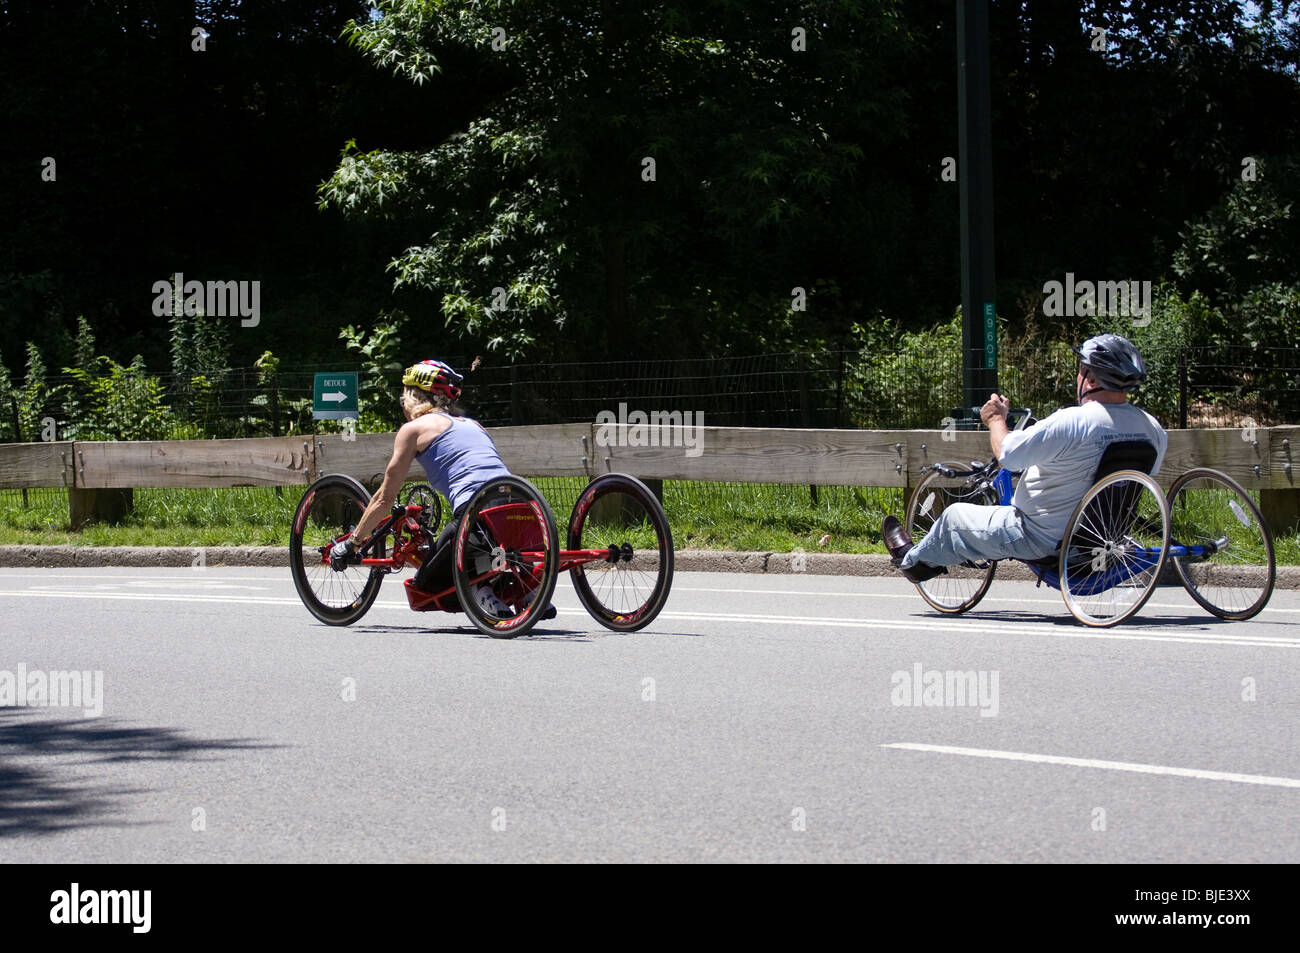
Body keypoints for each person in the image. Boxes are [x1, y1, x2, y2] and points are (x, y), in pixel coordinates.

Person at [882, 333, 1169, 583]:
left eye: (1081, 370)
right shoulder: (1152, 429)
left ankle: (911, 562)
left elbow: (1008, 454)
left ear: (1092, 378)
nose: (1078, 376)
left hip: (1039, 538)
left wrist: (996, 420)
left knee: (954, 517)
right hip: (1100, 542)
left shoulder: (1073, 422)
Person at [329, 358, 554, 618]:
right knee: (494, 542)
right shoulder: (473, 425)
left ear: (413, 397)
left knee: (423, 589)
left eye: (404, 397)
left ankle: (480, 589)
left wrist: (353, 543)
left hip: (478, 516)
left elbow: (383, 499)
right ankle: (525, 591)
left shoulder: (412, 430)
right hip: (523, 507)